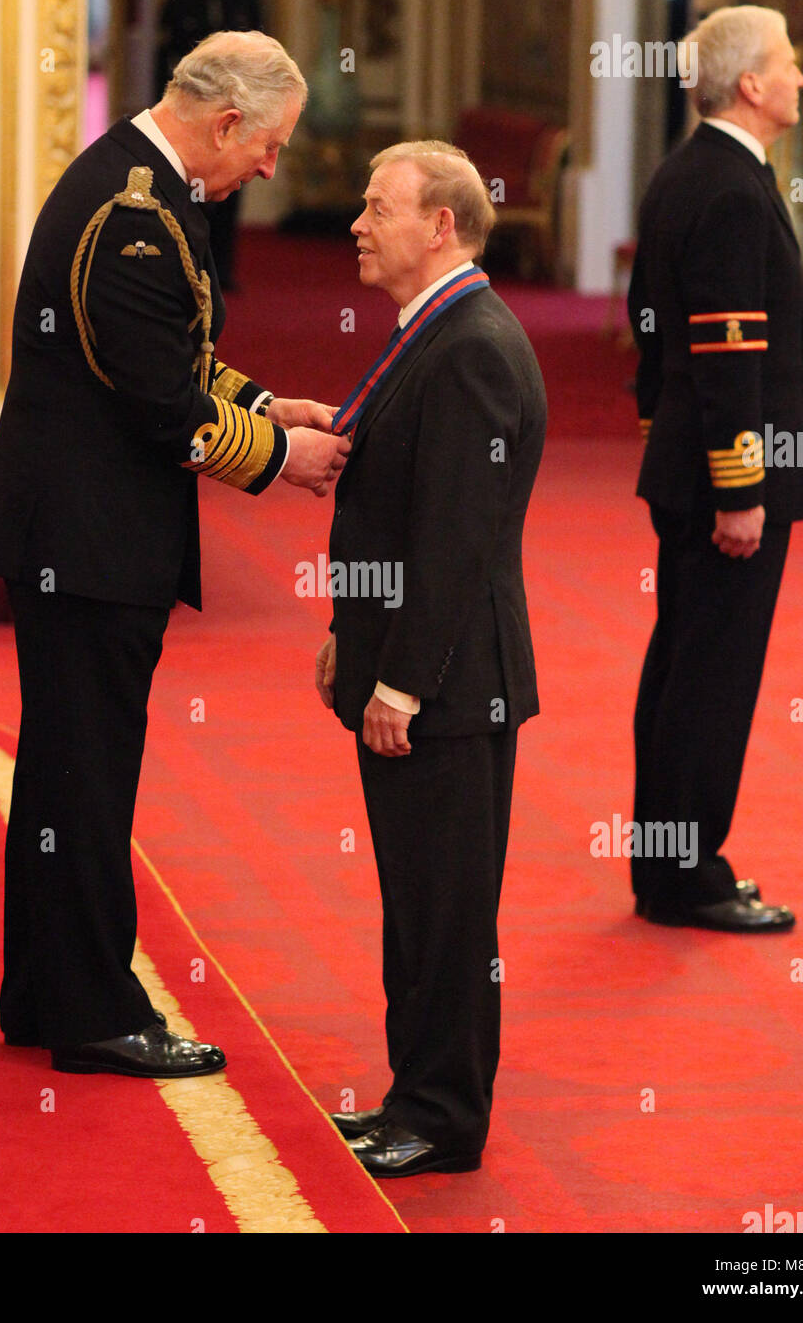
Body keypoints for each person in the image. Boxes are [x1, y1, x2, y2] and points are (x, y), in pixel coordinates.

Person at [0, 31, 350, 1078]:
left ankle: (45, 990)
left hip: (78, 532)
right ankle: (93, 1012)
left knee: (62, 774)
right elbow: (155, 404)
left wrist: (266, 402)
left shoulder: (139, 188)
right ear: (226, 123)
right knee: (85, 778)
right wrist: (280, 455)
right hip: (86, 542)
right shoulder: (135, 213)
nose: (270, 167)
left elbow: (168, 354)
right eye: (267, 146)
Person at [314, 142, 547, 1176]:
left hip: (448, 689)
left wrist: (400, 679)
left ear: (439, 225)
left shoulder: (472, 348)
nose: (357, 224)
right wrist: (347, 633)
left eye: (377, 207)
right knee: (415, 904)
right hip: (416, 673)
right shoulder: (435, 330)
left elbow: (453, 538)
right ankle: (411, 1095)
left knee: (447, 913)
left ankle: (443, 1116)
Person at [628, 5, 803, 932]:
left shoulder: (685, 173)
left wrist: (663, 432)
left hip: (688, 465)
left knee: (681, 665)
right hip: (725, 480)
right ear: (750, 84)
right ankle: (685, 874)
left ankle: (668, 863)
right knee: (711, 677)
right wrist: (741, 491)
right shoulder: (735, 190)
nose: (801, 80)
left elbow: (648, 326)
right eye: (788, 64)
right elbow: (729, 355)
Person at [154, 0, 263, 288]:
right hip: (193, 112)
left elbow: (261, 60)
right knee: (193, 192)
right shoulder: (178, 4)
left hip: (238, 111)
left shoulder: (246, 3)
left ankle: (223, 273)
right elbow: (165, 62)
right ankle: (190, 269)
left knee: (232, 189)